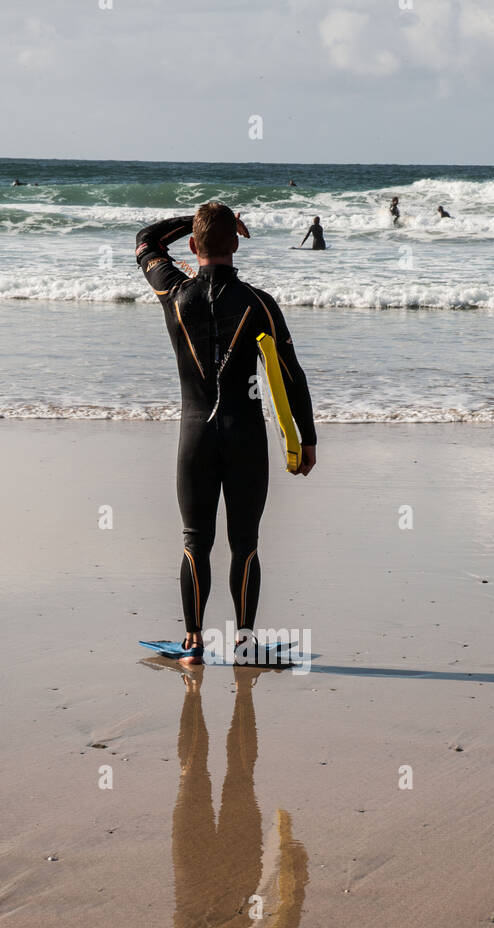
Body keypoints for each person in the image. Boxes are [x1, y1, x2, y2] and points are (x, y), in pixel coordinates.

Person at [135, 201, 317, 667]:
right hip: (245, 438)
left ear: (193, 246)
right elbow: (291, 374)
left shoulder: (173, 293)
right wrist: (306, 438)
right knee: (246, 544)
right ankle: (245, 644)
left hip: (194, 438)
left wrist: (189, 225)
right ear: (237, 244)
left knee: (196, 540)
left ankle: (193, 645)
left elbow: (146, 241)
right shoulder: (259, 303)